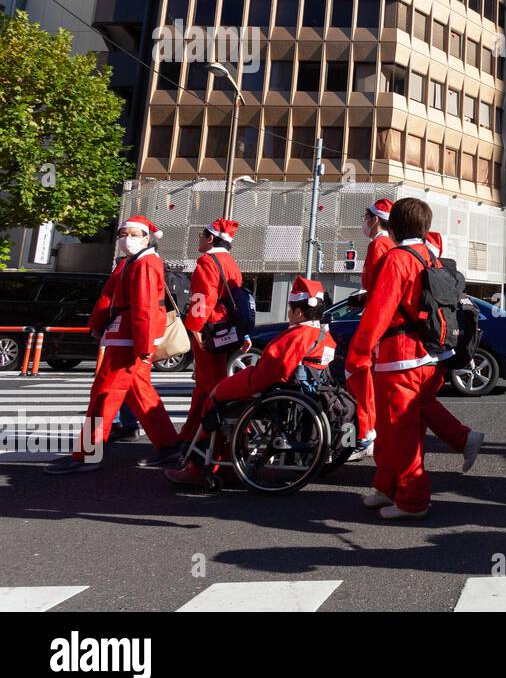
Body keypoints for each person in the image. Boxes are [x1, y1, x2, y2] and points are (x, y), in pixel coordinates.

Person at [345, 198, 485, 518]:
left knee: (399, 431)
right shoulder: (429, 256)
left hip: (399, 357)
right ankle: (387, 487)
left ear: (392, 226)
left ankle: (412, 499)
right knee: (404, 428)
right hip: (428, 354)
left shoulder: (397, 258)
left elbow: (380, 312)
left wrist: (360, 350)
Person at [164, 276, 337, 488]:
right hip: (301, 393)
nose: (289, 312)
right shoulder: (324, 336)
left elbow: (266, 375)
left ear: (299, 312)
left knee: (214, 401)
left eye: (290, 308)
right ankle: (229, 463)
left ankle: (200, 467)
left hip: (272, 389)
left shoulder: (295, 336)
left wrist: (227, 384)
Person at [46, 217, 183, 474]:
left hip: (128, 339)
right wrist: (99, 324)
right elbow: (114, 297)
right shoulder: (135, 262)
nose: (125, 239)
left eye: (132, 234)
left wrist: (143, 345)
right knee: (140, 394)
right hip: (128, 337)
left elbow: (144, 307)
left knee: (103, 394)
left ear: (147, 237)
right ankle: (168, 445)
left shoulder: (144, 263)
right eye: (123, 234)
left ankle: (87, 454)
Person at [177, 218, 249, 445]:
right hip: (227, 328)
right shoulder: (230, 262)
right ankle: (188, 436)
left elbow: (203, 298)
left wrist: (195, 327)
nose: (198, 238)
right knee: (204, 387)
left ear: (211, 238)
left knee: (212, 386)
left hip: (211, 329)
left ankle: (231, 437)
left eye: (201, 234)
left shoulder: (208, 261)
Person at [349, 197, 395, 457]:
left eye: (367, 217)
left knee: (359, 373)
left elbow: (378, 288)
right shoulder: (388, 245)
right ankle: (372, 433)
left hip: (377, 321)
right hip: (382, 319)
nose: (365, 222)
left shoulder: (378, 245)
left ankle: (367, 433)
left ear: (375, 219)